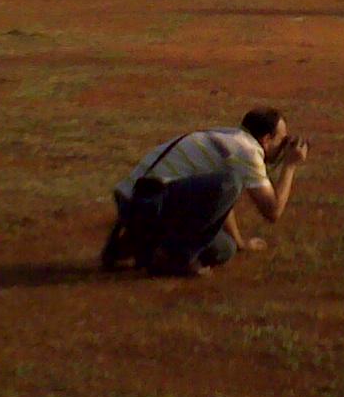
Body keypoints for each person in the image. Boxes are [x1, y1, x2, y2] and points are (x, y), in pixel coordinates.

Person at [101, 106, 308, 276]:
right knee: (230, 183)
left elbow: (219, 203)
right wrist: (290, 166)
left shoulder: (227, 137)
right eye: (282, 141)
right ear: (266, 139)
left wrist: (240, 243)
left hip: (135, 200)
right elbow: (272, 211)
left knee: (225, 249)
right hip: (148, 202)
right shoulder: (248, 150)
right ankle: (173, 259)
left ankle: (132, 245)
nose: (283, 148)